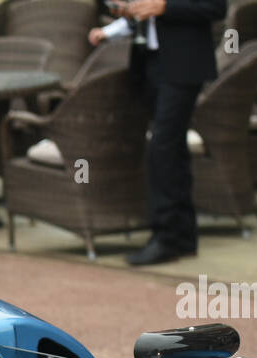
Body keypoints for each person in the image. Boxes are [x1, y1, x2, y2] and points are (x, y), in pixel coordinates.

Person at [90, 0, 226, 266]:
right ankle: (183, 236)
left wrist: (164, 7)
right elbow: (145, 14)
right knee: (173, 148)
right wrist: (121, 19)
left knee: (161, 146)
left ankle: (165, 237)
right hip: (151, 63)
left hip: (184, 64)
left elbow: (216, 7)